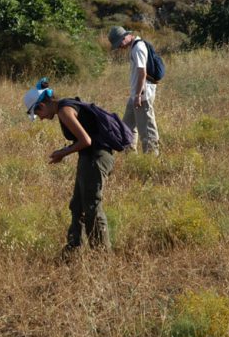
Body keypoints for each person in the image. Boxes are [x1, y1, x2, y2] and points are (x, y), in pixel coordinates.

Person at [23, 78, 115, 252]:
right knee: (77, 205)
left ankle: (102, 255)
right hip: (89, 157)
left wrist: (62, 153)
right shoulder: (65, 107)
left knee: (91, 207)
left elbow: (85, 140)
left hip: (96, 157)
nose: (41, 119)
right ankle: (73, 248)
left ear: (41, 106)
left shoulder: (65, 111)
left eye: (38, 114)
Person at [108, 26, 160, 155]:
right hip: (135, 95)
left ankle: (152, 158)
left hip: (142, 95)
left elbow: (142, 73)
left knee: (146, 129)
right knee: (127, 127)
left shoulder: (138, 48)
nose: (119, 47)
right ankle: (130, 156)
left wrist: (138, 95)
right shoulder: (134, 47)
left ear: (125, 37)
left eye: (119, 43)